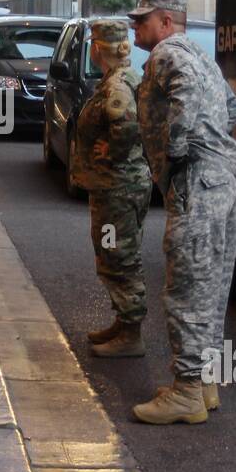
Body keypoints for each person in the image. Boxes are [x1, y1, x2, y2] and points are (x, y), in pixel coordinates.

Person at [129, 0, 236, 425]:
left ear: (164, 21)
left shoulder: (167, 55)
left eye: (141, 21)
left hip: (197, 181)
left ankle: (187, 393)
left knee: (187, 287)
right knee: (211, 287)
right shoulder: (201, 54)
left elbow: (187, 93)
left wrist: (177, 148)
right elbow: (230, 107)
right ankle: (203, 383)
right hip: (223, 178)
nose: (135, 28)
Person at [69, 19, 151, 358]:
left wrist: (113, 155)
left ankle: (130, 333)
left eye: (93, 43)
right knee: (114, 251)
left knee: (117, 255)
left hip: (117, 188)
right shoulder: (125, 78)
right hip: (119, 187)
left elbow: (126, 124)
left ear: (98, 49)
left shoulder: (117, 85)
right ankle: (123, 321)